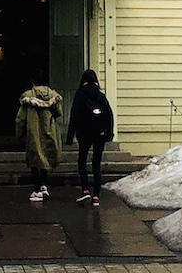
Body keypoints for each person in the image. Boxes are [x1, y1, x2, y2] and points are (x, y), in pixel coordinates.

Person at [66, 68, 114, 206]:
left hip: (84, 134)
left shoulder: (80, 95)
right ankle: (96, 196)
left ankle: (85, 190)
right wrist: (109, 134)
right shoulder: (101, 96)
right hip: (100, 134)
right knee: (96, 164)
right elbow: (109, 115)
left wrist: (70, 137)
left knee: (82, 161)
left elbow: (74, 116)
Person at [15, 74, 62, 202]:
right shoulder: (53, 95)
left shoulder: (28, 97)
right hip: (48, 130)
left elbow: (20, 119)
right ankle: (44, 186)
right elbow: (59, 112)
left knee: (35, 160)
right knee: (45, 159)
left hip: (34, 131)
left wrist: (18, 135)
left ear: (33, 82)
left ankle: (36, 189)